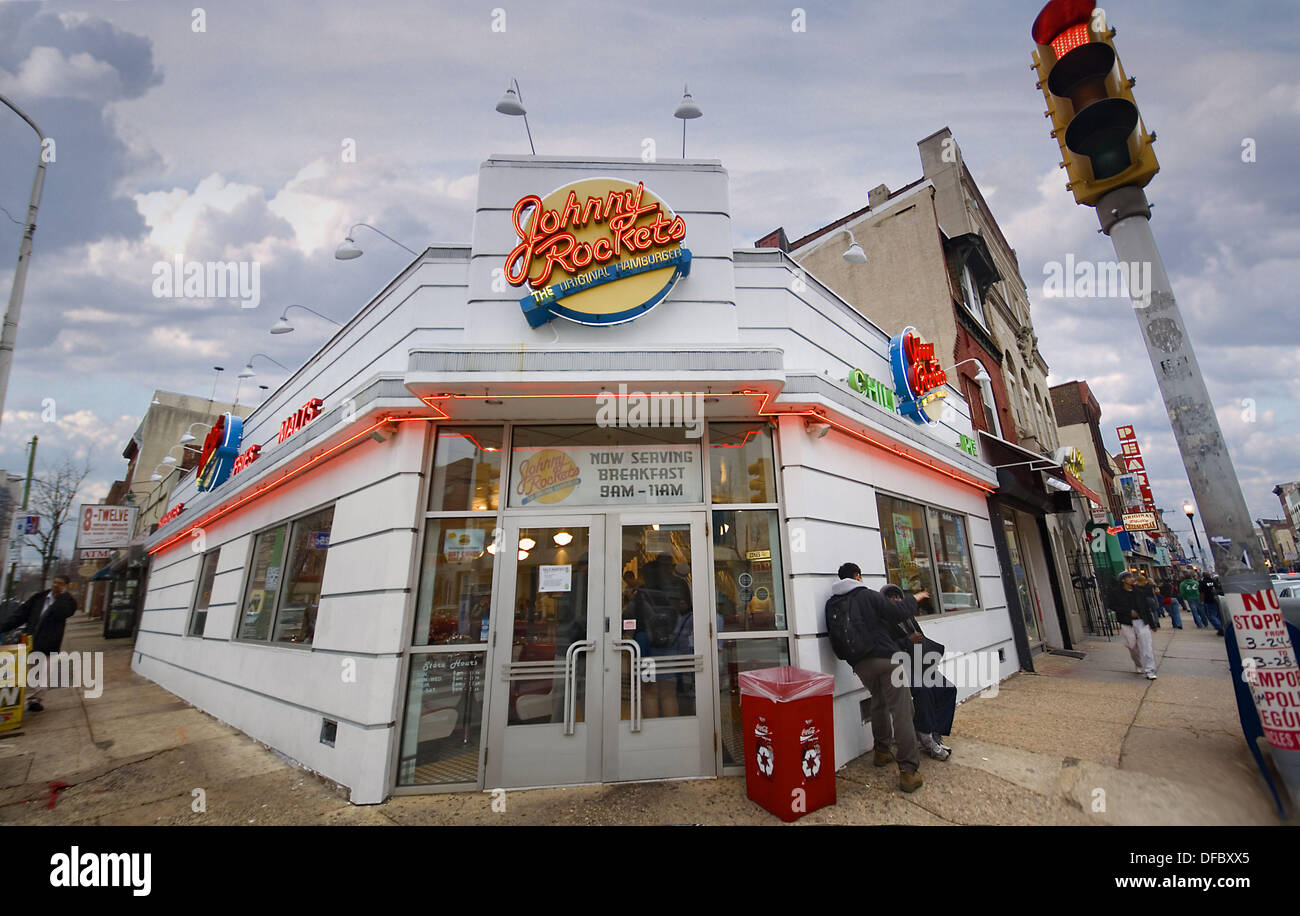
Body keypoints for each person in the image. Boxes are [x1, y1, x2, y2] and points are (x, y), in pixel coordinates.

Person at [826, 563, 922, 792]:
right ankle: (908, 771)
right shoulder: (866, 595)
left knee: (878, 701)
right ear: (858, 576)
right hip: (886, 660)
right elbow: (897, 612)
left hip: (859, 664)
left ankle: (881, 751)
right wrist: (915, 599)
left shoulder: (832, 604)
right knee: (902, 710)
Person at [882, 584, 955, 761]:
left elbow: (921, 640)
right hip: (901, 666)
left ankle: (936, 731)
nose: (897, 602)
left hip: (920, 663)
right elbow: (889, 648)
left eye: (898, 598)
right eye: (892, 600)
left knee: (947, 688)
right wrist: (908, 641)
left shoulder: (909, 618)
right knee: (923, 690)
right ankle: (926, 735)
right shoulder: (884, 622)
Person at [1, 577, 78, 712]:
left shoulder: (67, 602)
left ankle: (35, 700)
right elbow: (20, 615)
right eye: (55, 582)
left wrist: (62, 596)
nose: (56, 585)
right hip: (29, 640)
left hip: (49, 644)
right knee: (21, 672)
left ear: (66, 586)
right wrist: (3, 627)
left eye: (60, 584)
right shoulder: (38, 598)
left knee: (42, 675)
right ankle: (11, 701)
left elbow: (64, 613)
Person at [1110, 571, 1157, 679]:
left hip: (1141, 621)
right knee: (1132, 647)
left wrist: (1152, 624)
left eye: (1132, 577)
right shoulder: (1116, 593)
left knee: (1146, 646)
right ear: (1123, 580)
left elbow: (1146, 608)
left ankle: (1149, 670)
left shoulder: (1139, 592)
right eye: (1129, 577)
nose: (1132, 579)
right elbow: (1112, 606)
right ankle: (1139, 663)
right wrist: (1128, 611)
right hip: (1127, 622)